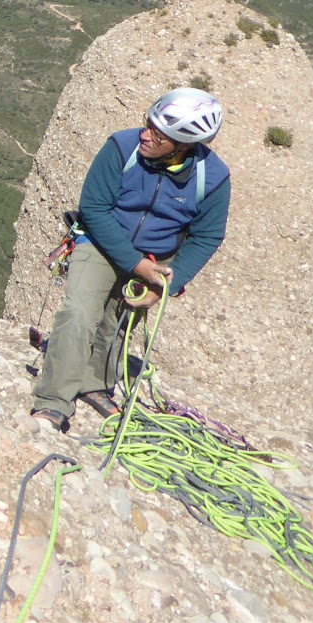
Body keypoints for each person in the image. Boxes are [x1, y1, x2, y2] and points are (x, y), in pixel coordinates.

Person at [30, 87, 231, 432]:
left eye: (157, 132)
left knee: (118, 324)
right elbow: (93, 208)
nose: (145, 134)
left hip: (156, 256)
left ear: (182, 145)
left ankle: (95, 384)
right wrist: (135, 264)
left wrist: (170, 281)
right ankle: (53, 402)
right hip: (101, 241)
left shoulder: (212, 179)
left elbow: (207, 235)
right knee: (79, 314)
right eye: (147, 124)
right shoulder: (121, 148)